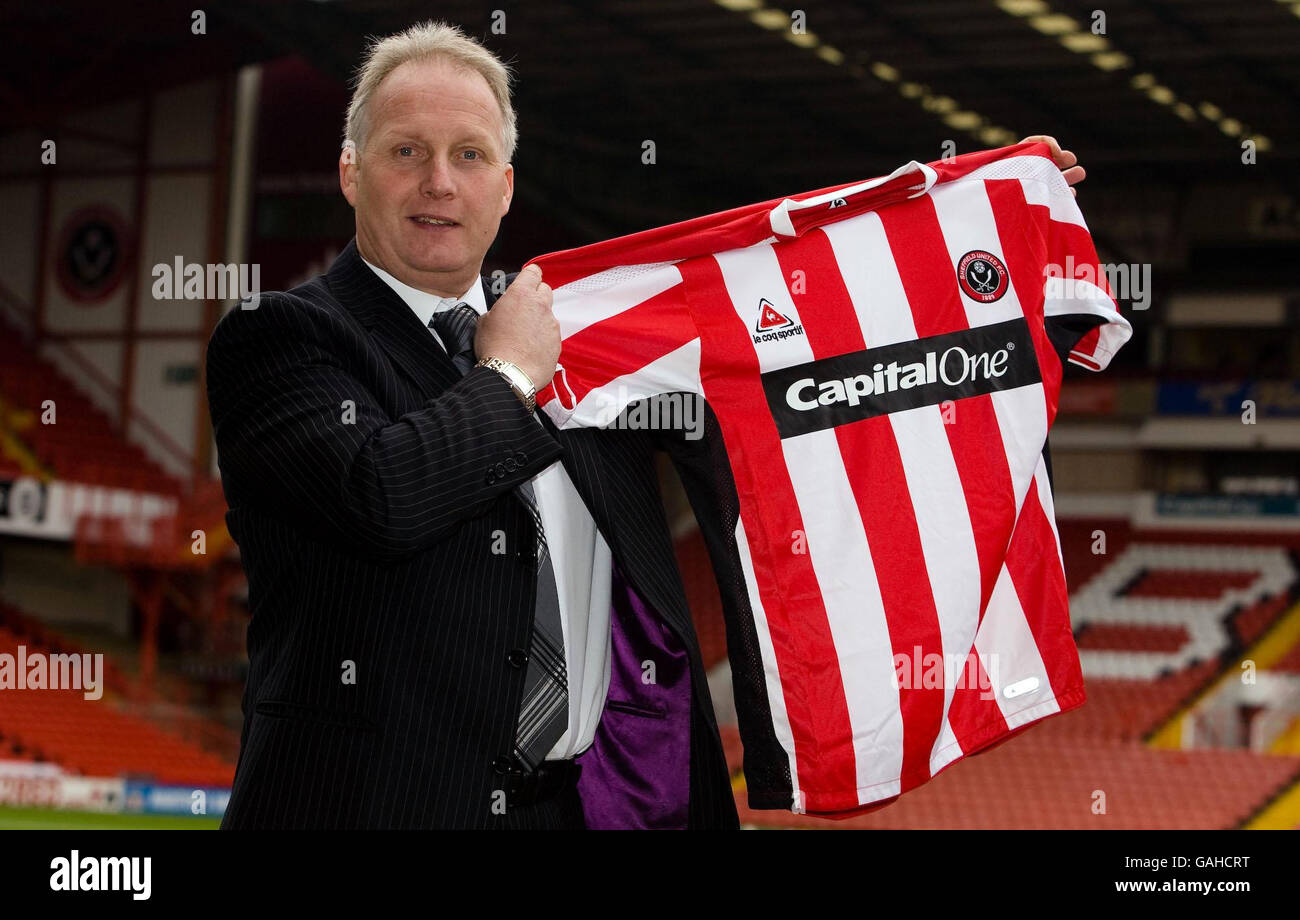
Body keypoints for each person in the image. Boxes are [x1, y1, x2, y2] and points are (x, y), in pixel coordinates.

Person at [205, 18, 1086, 830]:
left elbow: (798, 330)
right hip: (370, 809)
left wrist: (980, 213)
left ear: (506, 187)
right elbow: (382, 498)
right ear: (352, 169)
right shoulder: (280, 339)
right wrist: (509, 375)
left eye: (470, 154)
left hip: (593, 806)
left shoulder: (589, 333)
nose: (441, 181)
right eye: (408, 151)